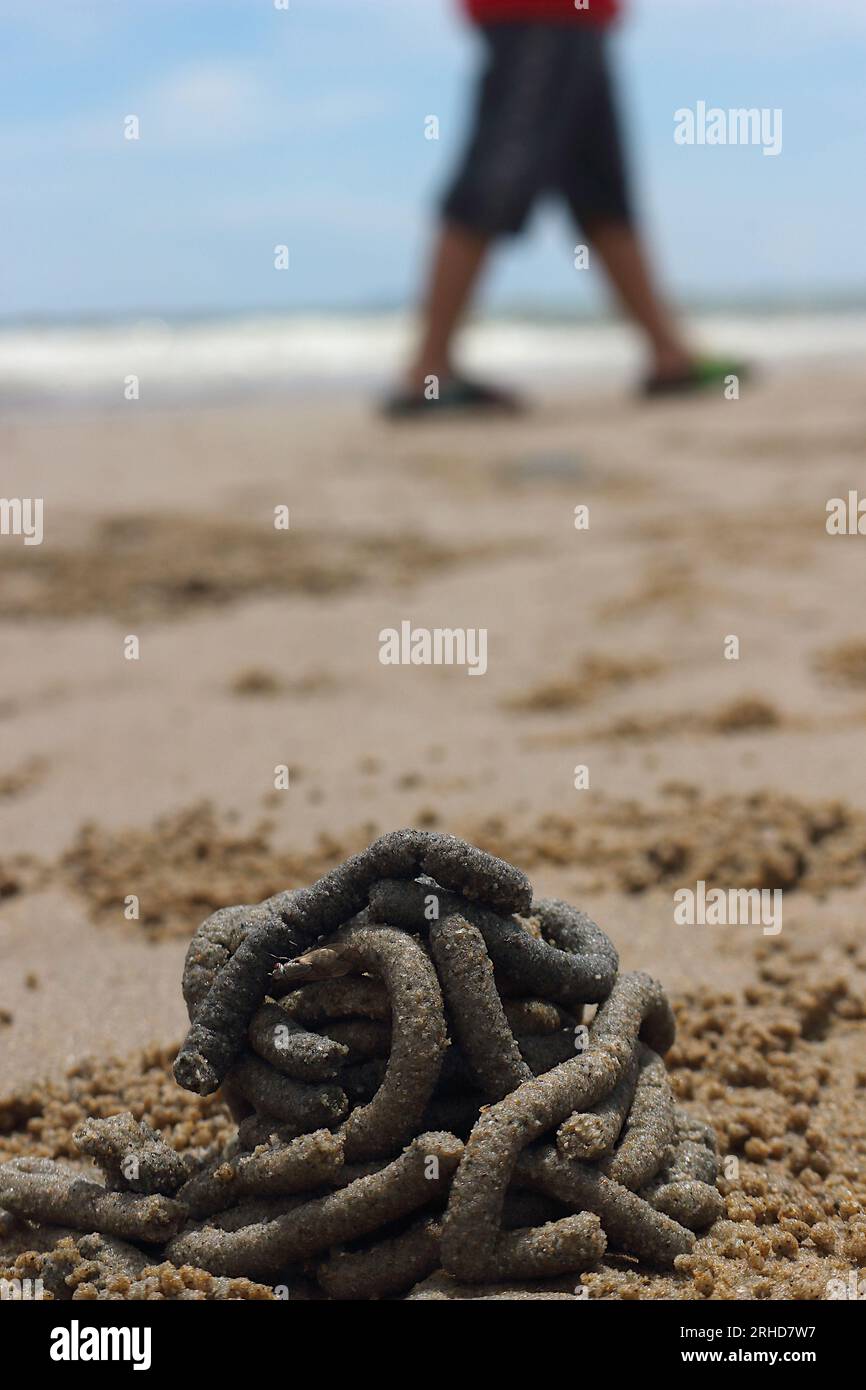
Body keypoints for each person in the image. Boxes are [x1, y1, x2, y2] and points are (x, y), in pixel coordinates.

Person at [387, 0, 742, 416]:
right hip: (536, 12)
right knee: (493, 179)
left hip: (582, 19)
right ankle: (429, 372)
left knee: (602, 195)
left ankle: (669, 355)